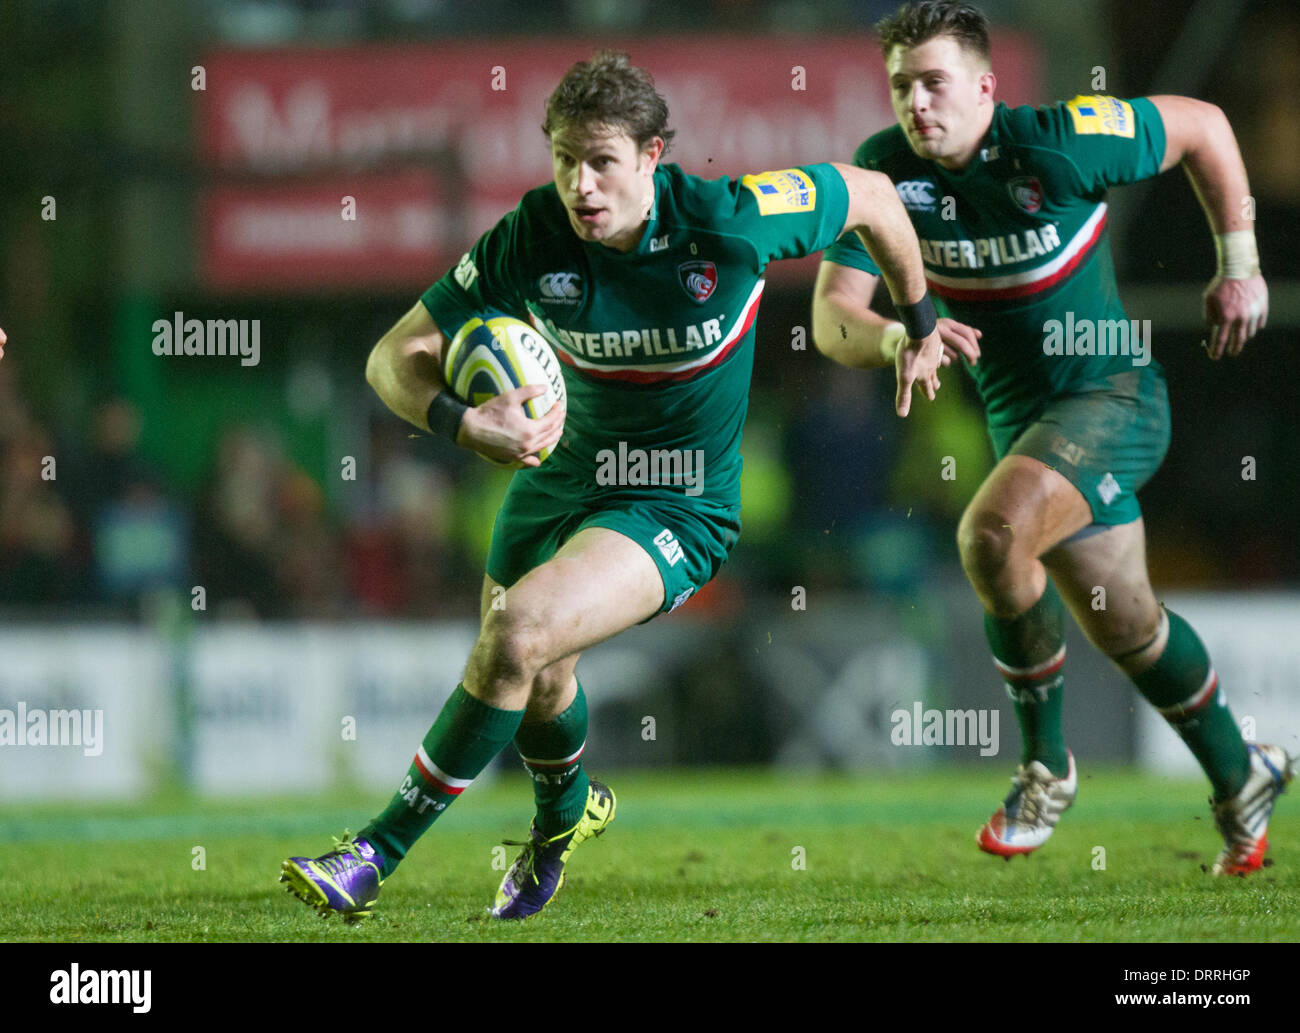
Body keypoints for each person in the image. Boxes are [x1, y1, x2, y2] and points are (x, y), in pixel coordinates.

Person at [281, 51, 944, 921]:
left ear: (653, 157)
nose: (580, 184)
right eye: (563, 160)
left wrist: (919, 321)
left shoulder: (731, 221)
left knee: (516, 634)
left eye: (601, 162)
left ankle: (373, 852)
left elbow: (875, 197)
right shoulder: (534, 235)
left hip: (677, 501)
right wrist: (462, 421)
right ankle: (566, 816)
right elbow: (390, 358)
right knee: (539, 679)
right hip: (559, 480)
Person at [813, 0, 1289, 875]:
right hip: (1027, 433)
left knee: (990, 535)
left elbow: (1206, 126)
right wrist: (896, 336)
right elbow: (833, 316)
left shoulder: (1064, 141)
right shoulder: (881, 178)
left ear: (987, 87)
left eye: (934, 83)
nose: (916, 104)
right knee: (1130, 625)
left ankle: (1045, 768)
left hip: (1114, 397)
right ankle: (1243, 772)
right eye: (900, 87)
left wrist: (1241, 264)